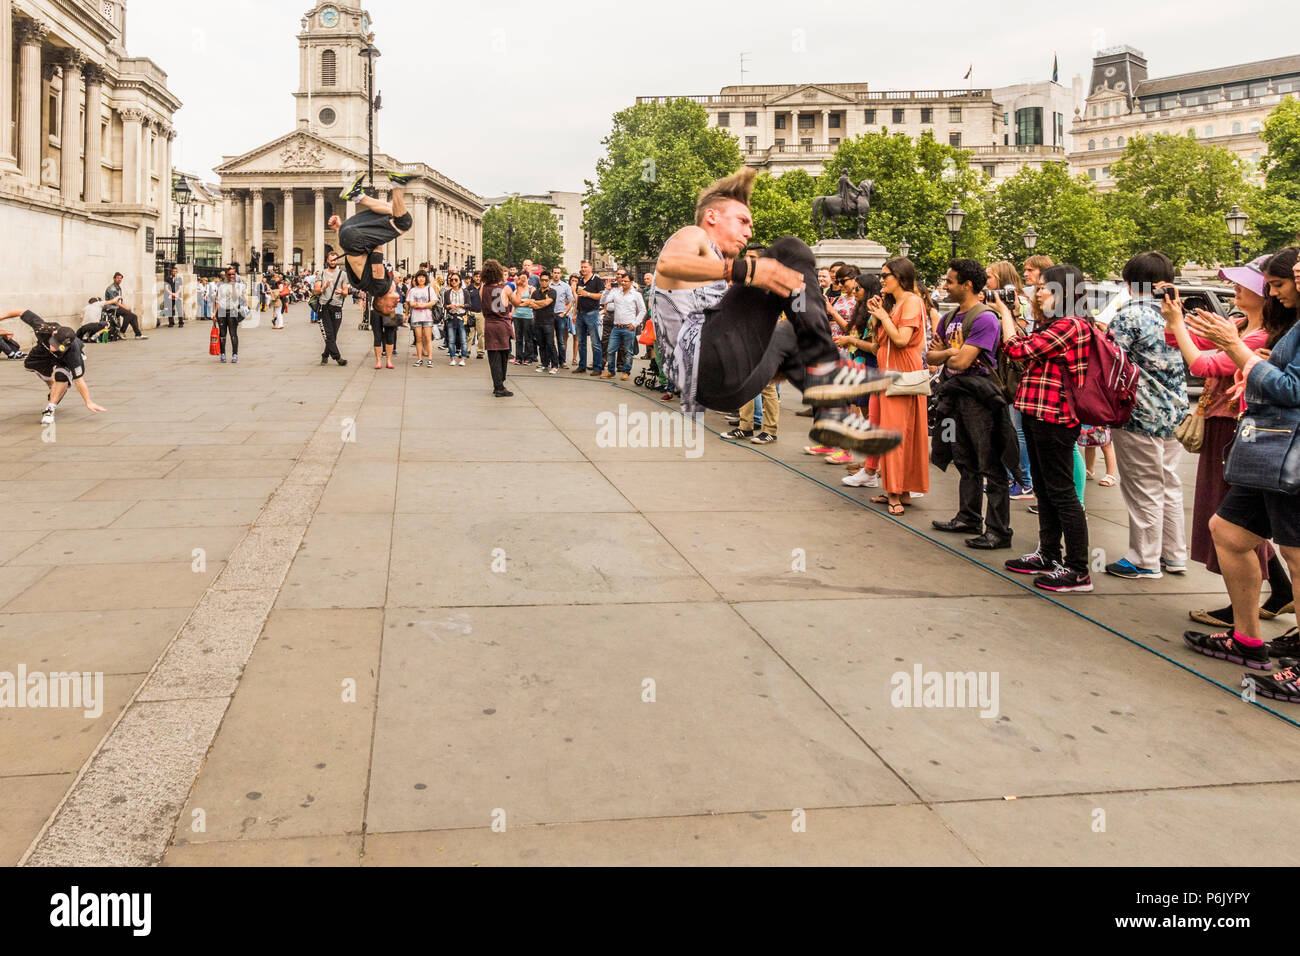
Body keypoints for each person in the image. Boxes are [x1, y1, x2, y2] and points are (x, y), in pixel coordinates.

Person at [652, 166, 894, 453]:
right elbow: (667, 265)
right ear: (712, 216)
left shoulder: (717, 275)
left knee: (790, 330)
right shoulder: (694, 236)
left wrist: (787, 361)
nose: (748, 231)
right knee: (790, 250)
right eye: (742, 221)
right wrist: (749, 270)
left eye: (750, 225)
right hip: (703, 360)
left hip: (721, 389)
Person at [1181, 246, 1300, 687]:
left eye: (1278, 284)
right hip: (1272, 449)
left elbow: (1291, 389)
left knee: (1295, 554)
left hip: (1287, 450)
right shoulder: (1287, 325)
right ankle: (1248, 638)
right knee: (1228, 532)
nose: (1273, 293)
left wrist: (1240, 352)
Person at [993, 264, 1094, 592]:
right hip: (1038, 413)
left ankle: (1078, 569)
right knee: (1045, 489)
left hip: (1056, 418)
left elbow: (1016, 350)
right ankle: (1049, 553)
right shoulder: (1053, 324)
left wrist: (1006, 315)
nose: (1038, 294)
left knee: (1062, 493)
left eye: (1045, 289)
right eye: (1037, 289)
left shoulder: (1071, 325)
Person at [1104, 251, 1189, 581]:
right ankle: (1174, 554)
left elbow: (1112, 365)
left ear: (1128, 282)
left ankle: (1144, 558)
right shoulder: (1176, 315)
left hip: (1139, 414)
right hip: (1175, 412)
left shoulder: (1129, 317)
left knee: (1143, 488)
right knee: (1169, 484)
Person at [928, 259, 1013, 548]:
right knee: (964, 457)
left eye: (950, 281)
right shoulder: (949, 316)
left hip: (981, 397)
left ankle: (999, 531)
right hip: (956, 395)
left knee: (990, 462)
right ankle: (968, 516)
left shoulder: (985, 318)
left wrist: (947, 352)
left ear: (966, 285)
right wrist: (952, 352)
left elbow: (963, 361)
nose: (946, 285)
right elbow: (930, 357)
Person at [848, 257, 930, 513]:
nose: (881, 280)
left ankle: (896, 493)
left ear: (900, 277)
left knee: (897, 435)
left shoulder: (913, 301)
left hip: (902, 374)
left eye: (886, 276)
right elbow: (878, 343)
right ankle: (897, 489)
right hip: (887, 374)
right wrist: (877, 315)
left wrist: (883, 315)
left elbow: (902, 339)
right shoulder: (893, 303)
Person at [327, 169, 415, 325]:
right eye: (394, 309)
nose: (395, 306)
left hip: (357, 240)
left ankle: (397, 183)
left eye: (390, 309)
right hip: (351, 236)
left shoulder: (380, 288)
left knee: (404, 223)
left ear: (380, 302)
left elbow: (376, 254)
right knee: (393, 211)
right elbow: (355, 259)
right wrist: (340, 229)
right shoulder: (370, 286)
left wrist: (380, 235)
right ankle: (357, 196)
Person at [1, 308, 106, 424]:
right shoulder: (42, 327)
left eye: (59, 347)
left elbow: (79, 380)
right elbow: (20, 312)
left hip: (64, 360)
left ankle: (50, 408)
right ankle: (53, 387)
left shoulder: (72, 352)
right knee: (31, 366)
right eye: (54, 343)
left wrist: (88, 401)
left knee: (61, 376)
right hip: (42, 352)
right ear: (53, 334)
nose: (54, 348)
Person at [480, 259, 523, 396]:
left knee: (493, 357)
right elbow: (517, 303)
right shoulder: (506, 288)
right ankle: (500, 385)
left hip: (489, 324)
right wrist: (520, 289)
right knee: (504, 354)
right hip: (502, 324)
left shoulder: (482, 288)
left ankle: (497, 384)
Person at [601, 271, 645, 380]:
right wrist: (607, 290)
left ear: (631, 282)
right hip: (616, 327)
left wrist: (635, 324)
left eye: (626, 281)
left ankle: (626, 372)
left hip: (628, 328)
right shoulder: (616, 292)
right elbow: (603, 301)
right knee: (611, 350)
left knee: (628, 351)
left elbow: (642, 310)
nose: (623, 283)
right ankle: (611, 371)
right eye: (622, 281)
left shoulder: (636, 295)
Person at [314, 250, 349, 366]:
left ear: (337, 260)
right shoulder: (322, 274)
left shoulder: (342, 274)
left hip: (337, 307)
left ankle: (325, 355)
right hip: (324, 307)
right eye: (331, 260)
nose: (333, 262)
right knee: (329, 334)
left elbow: (346, 291)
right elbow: (316, 290)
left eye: (335, 260)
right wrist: (324, 287)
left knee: (333, 335)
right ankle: (338, 357)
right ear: (327, 261)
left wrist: (342, 292)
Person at [214, 267, 244, 364]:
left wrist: (233, 285)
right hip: (221, 311)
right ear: (226, 275)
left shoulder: (238, 285)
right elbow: (217, 300)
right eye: (229, 274)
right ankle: (222, 354)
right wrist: (214, 314)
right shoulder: (221, 286)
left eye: (233, 274)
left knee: (233, 334)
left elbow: (236, 298)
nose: (231, 276)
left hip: (232, 311)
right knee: (222, 334)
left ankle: (235, 354)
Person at [406, 270, 436, 367]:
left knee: (428, 338)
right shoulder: (412, 290)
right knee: (418, 338)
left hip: (427, 317)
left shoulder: (429, 289)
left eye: (423, 277)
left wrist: (422, 305)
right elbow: (411, 303)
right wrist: (423, 305)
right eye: (419, 277)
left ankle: (430, 359)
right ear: (416, 279)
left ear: (425, 278)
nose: (421, 279)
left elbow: (433, 302)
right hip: (416, 317)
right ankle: (419, 359)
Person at [103, 272, 145, 339]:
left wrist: (126, 307)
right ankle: (122, 332)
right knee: (129, 315)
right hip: (111, 307)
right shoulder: (112, 288)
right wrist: (125, 308)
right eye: (118, 278)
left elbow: (120, 300)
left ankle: (138, 334)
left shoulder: (118, 287)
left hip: (117, 307)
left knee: (134, 316)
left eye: (120, 278)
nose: (119, 280)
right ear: (114, 278)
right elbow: (115, 302)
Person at [443, 272, 468, 366]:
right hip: (451, 317)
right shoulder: (447, 292)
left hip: (462, 317)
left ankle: (463, 358)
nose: (453, 281)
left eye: (456, 280)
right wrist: (449, 306)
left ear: (460, 281)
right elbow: (444, 305)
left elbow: (469, 305)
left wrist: (462, 305)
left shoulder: (465, 292)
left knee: (463, 339)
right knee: (451, 339)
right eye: (451, 280)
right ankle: (452, 358)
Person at [551, 267, 574, 367]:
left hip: (560, 315)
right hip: (549, 315)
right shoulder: (548, 285)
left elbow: (571, 300)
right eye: (555, 273)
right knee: (550, 339)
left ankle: (562, 361)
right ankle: (550, 360)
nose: (556, 274)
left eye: (558, 273)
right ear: (552, 274)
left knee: (561, 340)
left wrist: (565, 312)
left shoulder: (565, 286)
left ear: (561, 275)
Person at [466, 271, 485, 359]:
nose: (478, 278)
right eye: (476, 276)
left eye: (479, 276)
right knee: (470, 333)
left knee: (481, 334)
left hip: (481, 313)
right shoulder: (468, 288)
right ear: (473, 278)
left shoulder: (484, 288)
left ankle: (480, 352)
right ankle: (467, 351)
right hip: (471, 313)